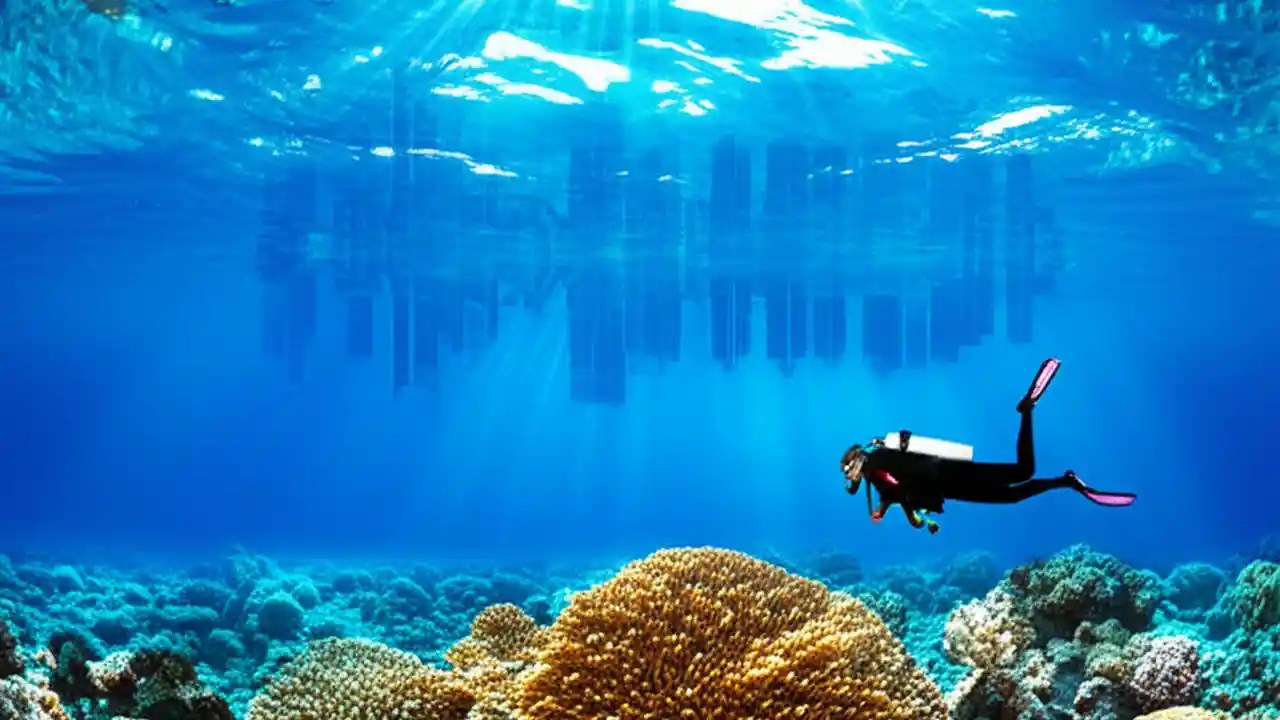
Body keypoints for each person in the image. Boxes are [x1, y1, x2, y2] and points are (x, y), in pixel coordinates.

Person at [839, 358, 1136, 534]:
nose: (848, 476)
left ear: (857, 459)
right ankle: (1065, 480)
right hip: (949, 483)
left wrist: (907, 515)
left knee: (1021, 474)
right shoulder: (876, 468)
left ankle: (1028, 413)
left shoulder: (875, 464)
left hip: (949, 477)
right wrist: (890, 510)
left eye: (847, 469)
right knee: (1014, 490)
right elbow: (894, 489)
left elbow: (898, 489)